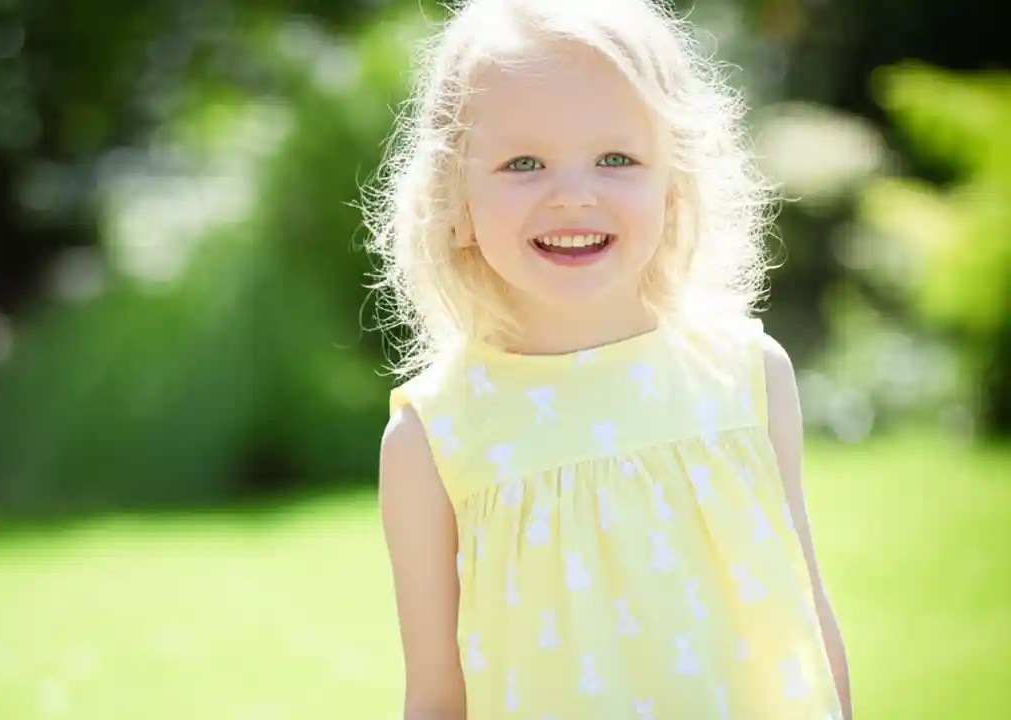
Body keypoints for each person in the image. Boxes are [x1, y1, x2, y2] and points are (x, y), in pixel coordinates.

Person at [363, 1, 853, 718]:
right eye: (522, 163)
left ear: (674, 182)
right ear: (455, 198)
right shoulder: (434, 441)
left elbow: (807, 629)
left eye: (616, 158)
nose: (573, 194)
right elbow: (437, 697)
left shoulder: (747, 377)